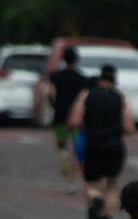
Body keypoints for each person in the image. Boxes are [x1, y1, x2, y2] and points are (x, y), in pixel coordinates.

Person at [68, 64, 135, 219]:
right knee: (112, 184)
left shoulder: (87, 95)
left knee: (91, 184)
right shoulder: (122, 98)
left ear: (99, 80)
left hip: (93, 143)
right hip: (114, 144)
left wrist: (90, 124)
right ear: (114, 82)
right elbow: (129, 128)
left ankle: (95, 200)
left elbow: (74, 120)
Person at [47, 46, 90, 193]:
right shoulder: (83, 79)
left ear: (63, 59)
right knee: (77, 152)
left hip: (60, 116)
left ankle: (63, 155)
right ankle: (71, 182)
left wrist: (54, 105)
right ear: (76, 60)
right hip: (77, 120)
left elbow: (50, 93)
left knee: (62, 145)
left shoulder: (56, 76)